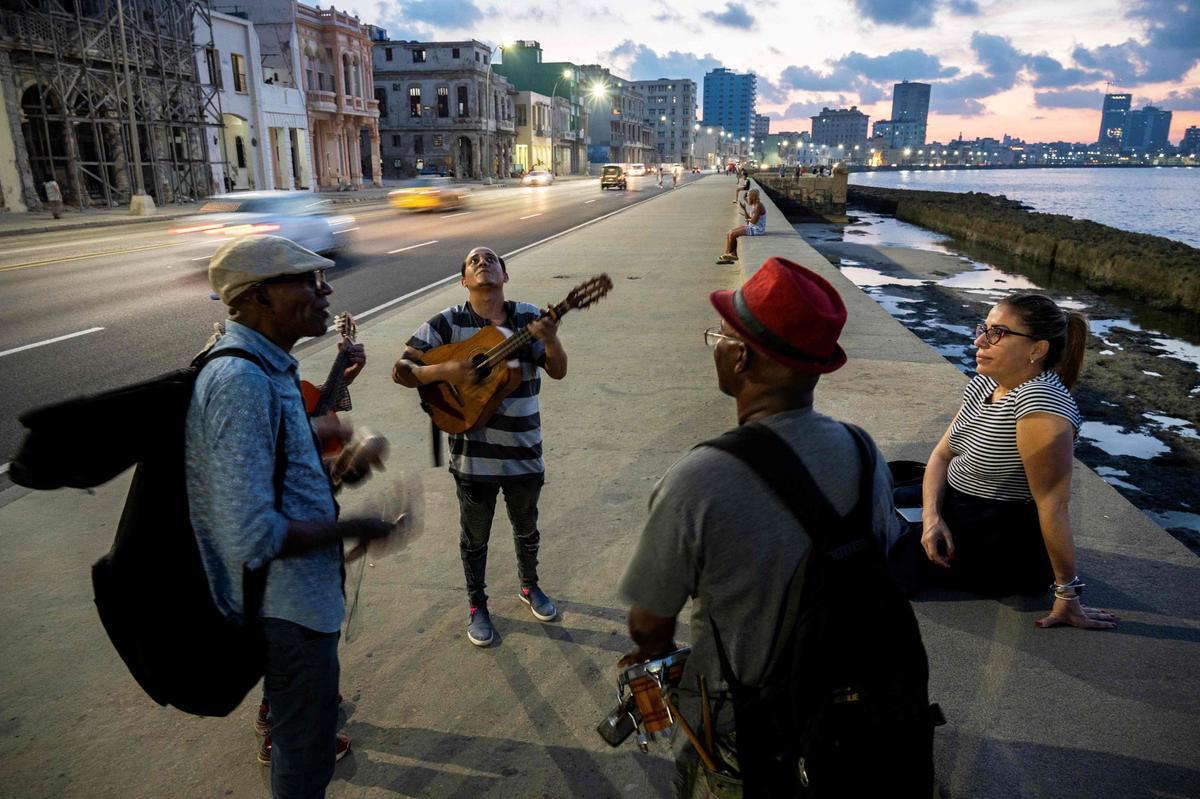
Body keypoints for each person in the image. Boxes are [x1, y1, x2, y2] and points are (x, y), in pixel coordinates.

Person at [618, 257, 901, 796]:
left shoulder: (699, 480)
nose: (716, 347)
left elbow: (649, 623)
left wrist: (654, 655)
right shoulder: (865, 453)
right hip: (854, 716)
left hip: (742, 733)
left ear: (741, 356)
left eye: (718, 338)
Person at [186, 235, 395, 798]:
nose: (324, 291)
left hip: (306, 602)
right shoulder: (241, 381)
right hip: (287, 615)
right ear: (258, 298)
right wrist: (355, 526)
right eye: (307, 281)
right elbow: (251, 534)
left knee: (309, 746)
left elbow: (272, 466)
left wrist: (330, 451)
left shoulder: (271, 370)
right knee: (304, 765)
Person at [391, 246, 568, 647]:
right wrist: (443, 370)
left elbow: (557, 370)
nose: (482, 263)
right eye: (473, 261)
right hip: (473, 458)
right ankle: (478, 605)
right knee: (476, 538)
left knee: (527, 530)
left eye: (491, 259)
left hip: (525, 449)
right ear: (464, 281)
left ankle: (529, 586)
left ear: (505, 275)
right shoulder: (447, 323)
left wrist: (553, 340)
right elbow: (401, 370)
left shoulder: (528, 318)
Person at [920, 293, 1116, 630]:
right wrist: (931, 517)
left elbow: (1053, 505)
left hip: (991, 542)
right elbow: (941, 455)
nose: (979, 340)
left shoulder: (1041, 410)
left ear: (1037, 349)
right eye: (984, 328)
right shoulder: (987, 382)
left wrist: (1067, 594)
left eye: (997, 333)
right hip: (949, 514)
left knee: (852, 553)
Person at [716, 188, 766, 264]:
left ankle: (728, 256)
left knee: (732, 234)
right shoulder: (754, 204)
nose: (747, 197)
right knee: (729, 232)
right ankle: (730, 254)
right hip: (752, 226)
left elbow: (753, 221)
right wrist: (744, 209)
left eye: (748, 196)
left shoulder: (759, 206)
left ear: (753, 196)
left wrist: (749, 219)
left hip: (757, 229)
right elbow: (748, 218)